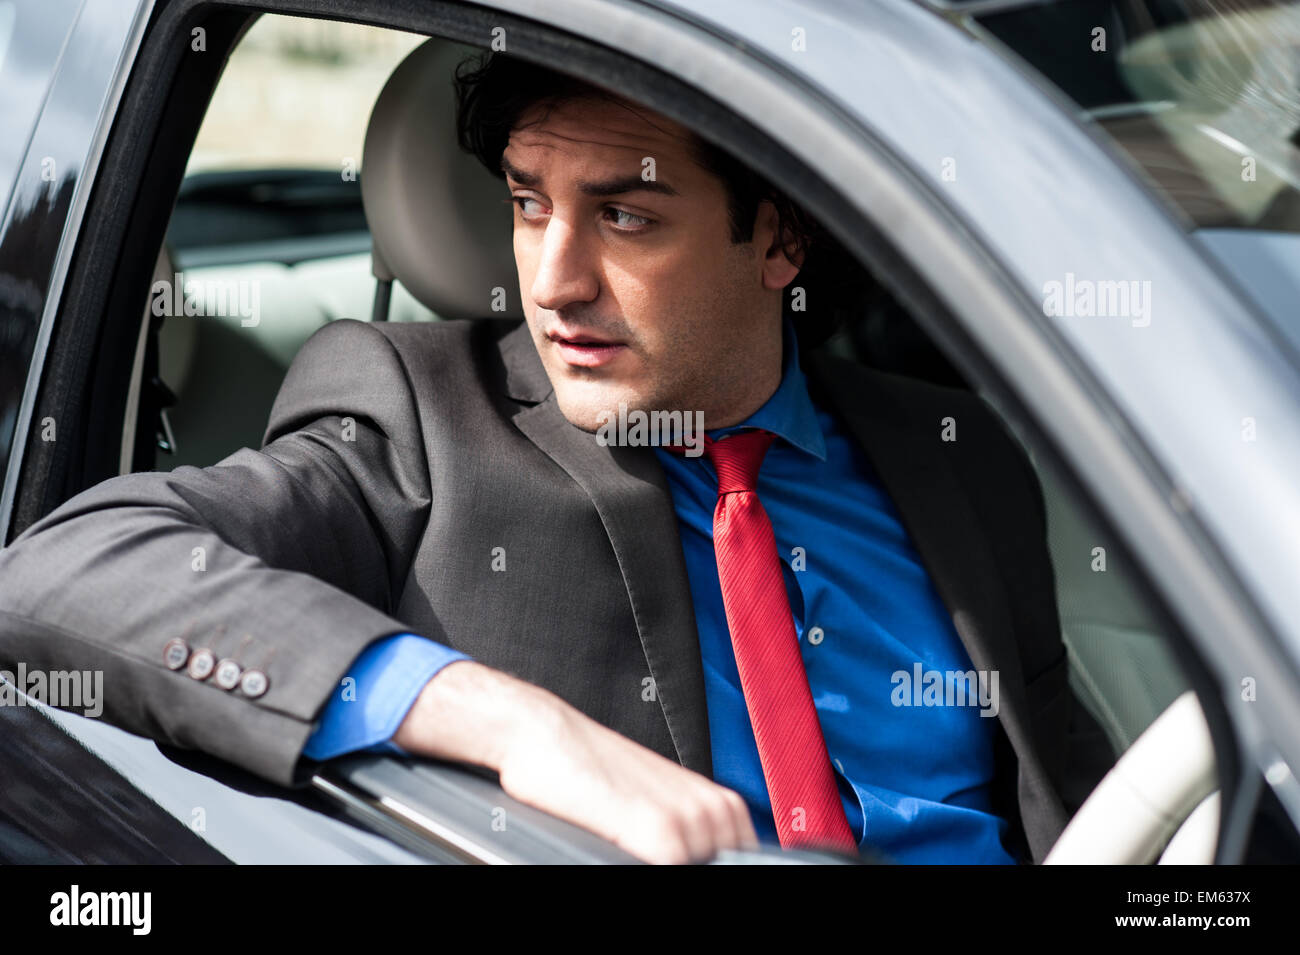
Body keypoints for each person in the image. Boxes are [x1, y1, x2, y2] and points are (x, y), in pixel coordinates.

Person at [0, 52, 1112, 865]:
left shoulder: (958, 456)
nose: (552, 279)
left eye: (624, 218)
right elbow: (65, 570)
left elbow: (1091, 802)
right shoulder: (419, 412)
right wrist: (518, 729)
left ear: (779, 239)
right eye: (530, 205)